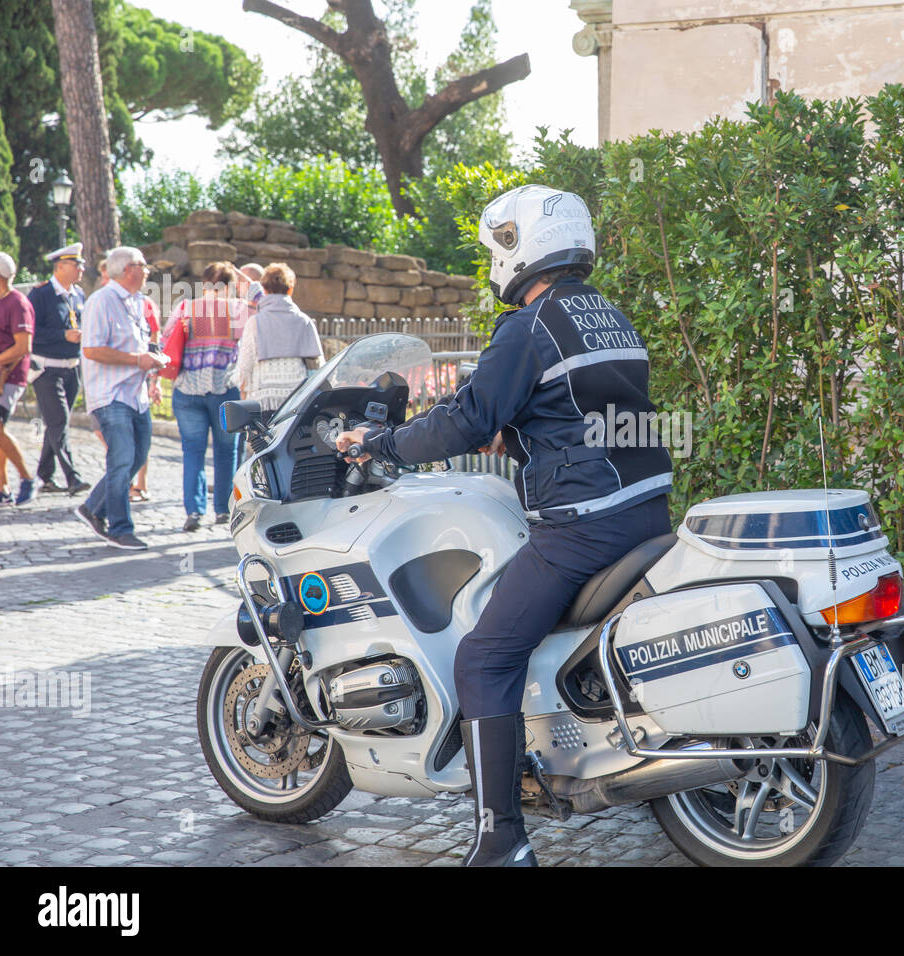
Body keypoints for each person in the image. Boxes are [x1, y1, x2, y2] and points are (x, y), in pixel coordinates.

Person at [337, 185, 674, 866]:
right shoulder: (606, 314)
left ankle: (502, 839)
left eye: (495, 246)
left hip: (583, 526)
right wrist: (515, 439)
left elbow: (464, 417)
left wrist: (382, 445)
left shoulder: (527, 326)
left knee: (484, 657)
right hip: (643, 508)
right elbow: (579, 414)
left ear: (517, 247)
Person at [74, 246, 166, 550]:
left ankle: (92, 508)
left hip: (136, 394)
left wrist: (151, 360)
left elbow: (139, 345)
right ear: (128, 269)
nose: (148, 270)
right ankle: (120, 527)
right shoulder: (101, 300)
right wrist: (137, 360)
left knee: (137, 457)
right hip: (111, 394)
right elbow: (92, 350)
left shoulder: (138, 302)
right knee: (123, 458)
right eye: (143, 265)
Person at [163, 261, 246, 532]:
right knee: (226, 452)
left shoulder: (187, 308)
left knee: (193, 452)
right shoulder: (237, 310)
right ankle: (223, 510)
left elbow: (165, 341)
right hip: (225, 389)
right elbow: (248, 347)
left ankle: (194, 512)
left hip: (188, 389)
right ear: (230, 285)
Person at [27, 243, 91, 496]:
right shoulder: (40, 294)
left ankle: (44, 476)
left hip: (72, 369)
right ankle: (73, 477)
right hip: (47, 369)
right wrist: (64, 335)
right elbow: (32, 333)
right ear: (61, 266)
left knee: (56, 424)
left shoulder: (78, 294)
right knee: (59, 421)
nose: (82, 269)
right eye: (77, 265)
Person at [233, 262, 324, 413]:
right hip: (296, 400)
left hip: (263, 399)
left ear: (264, 290)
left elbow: (245, 365)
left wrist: (244, 396)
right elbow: (317, 364)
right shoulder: (304, 320)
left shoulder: (255, 322)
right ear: (290, 289)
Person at [0, 251, 38, 506]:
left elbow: (23, 347)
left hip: (8, 376)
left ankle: (28, 478)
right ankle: (1, 488)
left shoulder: (17, 302)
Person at [129, 290, 160, 502]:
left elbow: (155, 342)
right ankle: (127, 482)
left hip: (140, 378)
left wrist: (154, 380)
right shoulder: (106, 300)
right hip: (114, 382)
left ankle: (141, 483)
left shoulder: (145, 304)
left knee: (141, 437)